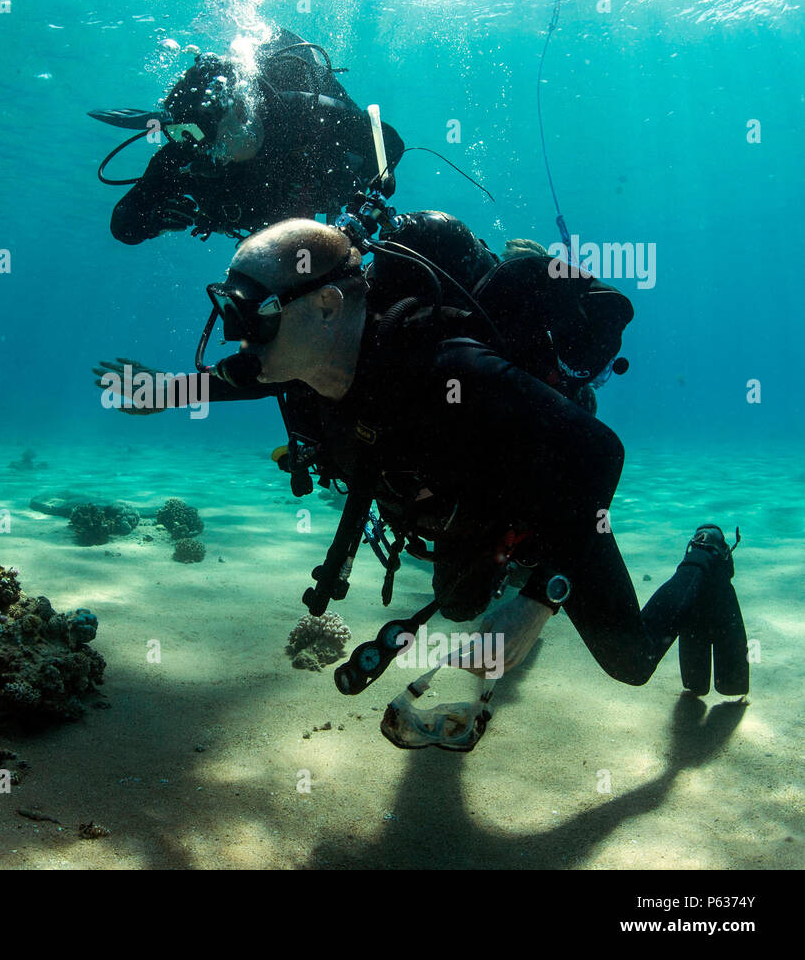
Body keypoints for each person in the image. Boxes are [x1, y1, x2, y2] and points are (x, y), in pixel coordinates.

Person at [97, 215, 748, 749]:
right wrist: (163, 389)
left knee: (629, 664)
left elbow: (597, 455)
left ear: (327, 305)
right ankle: (512, 573)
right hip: (463, 508)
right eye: (231, 314)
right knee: (463, 607)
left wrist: (540, 602)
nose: (240, 338)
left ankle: (706, 557)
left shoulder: (449, 370)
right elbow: (237, 375)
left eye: (255, 317)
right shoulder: (302, 359)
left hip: (552, 500)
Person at [91, 28, 405, 244]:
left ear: (242, 112)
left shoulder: (302, 114)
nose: (211, 155)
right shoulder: (192, 149)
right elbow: (123, 225)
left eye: (216, 141)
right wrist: (150, 220)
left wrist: (362, 205)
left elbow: (389, 143)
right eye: (199, 143)